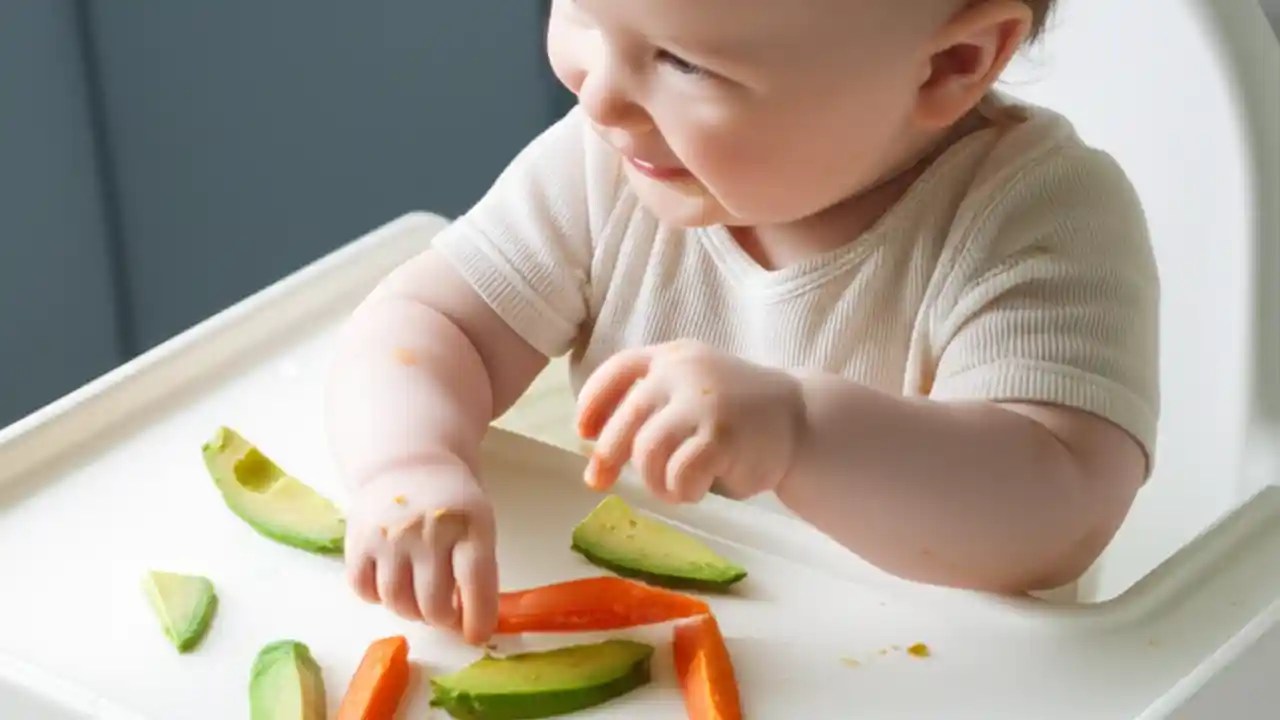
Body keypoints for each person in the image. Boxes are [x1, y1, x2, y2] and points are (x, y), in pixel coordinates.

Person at [325, 0, 1159, 645]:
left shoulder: (1038, 218)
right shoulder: (605, 161)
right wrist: (409, 464)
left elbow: (1057, 508)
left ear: (950, 63)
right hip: (652, 642)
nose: (600, 95)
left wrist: (801, 432)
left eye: (683, 62)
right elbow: (428, 323)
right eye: (581, 9)